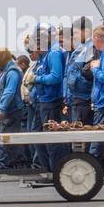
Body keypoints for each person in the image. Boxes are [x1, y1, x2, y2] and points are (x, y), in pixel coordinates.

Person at [31, 24, 68, 171]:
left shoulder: (53, 53)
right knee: (39, 136)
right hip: (43, 101)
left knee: (52, 140)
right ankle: (47, 170)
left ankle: (56, 172)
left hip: (51, 101)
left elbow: (56, 77)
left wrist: (36, 79)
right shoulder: (45, 55)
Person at [85, 25, 104, 172]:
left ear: (98, 39)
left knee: (97, 140)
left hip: (103, 102)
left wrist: (95, 69)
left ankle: (93, 170)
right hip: (99, 102)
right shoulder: (103, 54)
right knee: (100, 140)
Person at [0, 48, 28, 169]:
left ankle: (21, 168)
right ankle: (17, 167)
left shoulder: (12, 71)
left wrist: (1, 109)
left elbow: (10, 91)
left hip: (12, 112)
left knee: (12, 142)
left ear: (3, 58)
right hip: (8, 112)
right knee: (8, 143)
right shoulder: (5, 71)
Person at [63, 18, 96, 126]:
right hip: (75, 98)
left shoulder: (92, 48)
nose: (75, 36)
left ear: (86, 31)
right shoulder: (80, 48)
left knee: (83, 134)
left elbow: (89, 72)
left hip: (84, 97)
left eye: (76, 32)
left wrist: (79, 82)